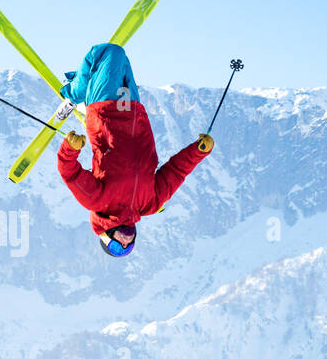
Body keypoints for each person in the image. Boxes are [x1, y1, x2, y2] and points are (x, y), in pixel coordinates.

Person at [53, 43, 214, 257]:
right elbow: (176, 171)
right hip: (132, 111)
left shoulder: (96, 201)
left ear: (105, 235)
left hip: (105, 111)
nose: (125, 244)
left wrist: (70, 148)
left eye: (115, 247)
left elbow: (69, 172)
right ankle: (86, 81)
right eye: (128, 247)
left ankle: (73, 93)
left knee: (111, 53)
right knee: (122, 60)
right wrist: (199, 151)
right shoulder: (150, 204)